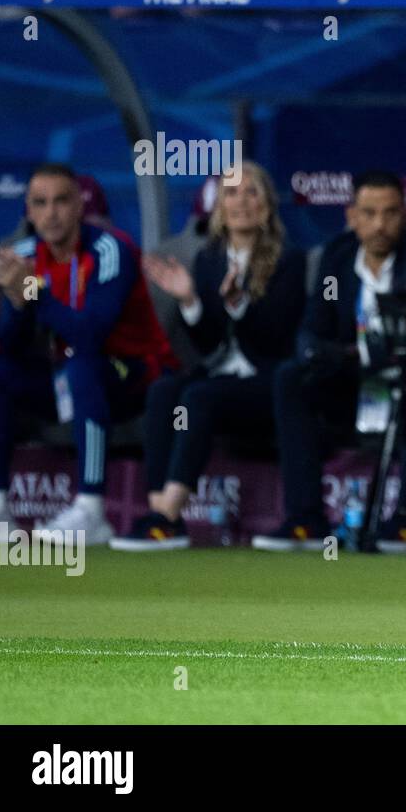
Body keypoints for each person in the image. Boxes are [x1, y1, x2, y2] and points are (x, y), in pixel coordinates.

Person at [252, 170, 406, 554]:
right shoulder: (335, 258)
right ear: (351, 216)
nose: (380, 225)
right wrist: (330, 354)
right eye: (369, 213)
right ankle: (306, 518)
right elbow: (312, 330)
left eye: (390, 213)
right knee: (290, 377)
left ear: (405, 215)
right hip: (351, 383)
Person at [111, 162, 305, 551]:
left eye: (251, 192)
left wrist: (239, 305)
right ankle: (159, 511)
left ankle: (168, 516)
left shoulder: (289, 260)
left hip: (267, 382)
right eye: (231, 193)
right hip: (220, 375)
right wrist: (189, 301)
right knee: (163, 391)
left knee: (200, 397)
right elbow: (207, 343)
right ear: (219, 206)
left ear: (267, 204)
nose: (241, 202)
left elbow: (275, 338)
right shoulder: (209, 259)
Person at [0, 163, 178, 545]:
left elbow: (90, 334)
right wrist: (17, 304)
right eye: (40, 203)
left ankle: (91, 510)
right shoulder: (23, 255)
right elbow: (9, 345)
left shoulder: (111, 250)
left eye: (61, 201)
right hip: (63, 378)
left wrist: (33, 291)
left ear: (79, 206)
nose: (51, 213)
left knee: (83, 367)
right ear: (28, 211)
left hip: (133, 375)